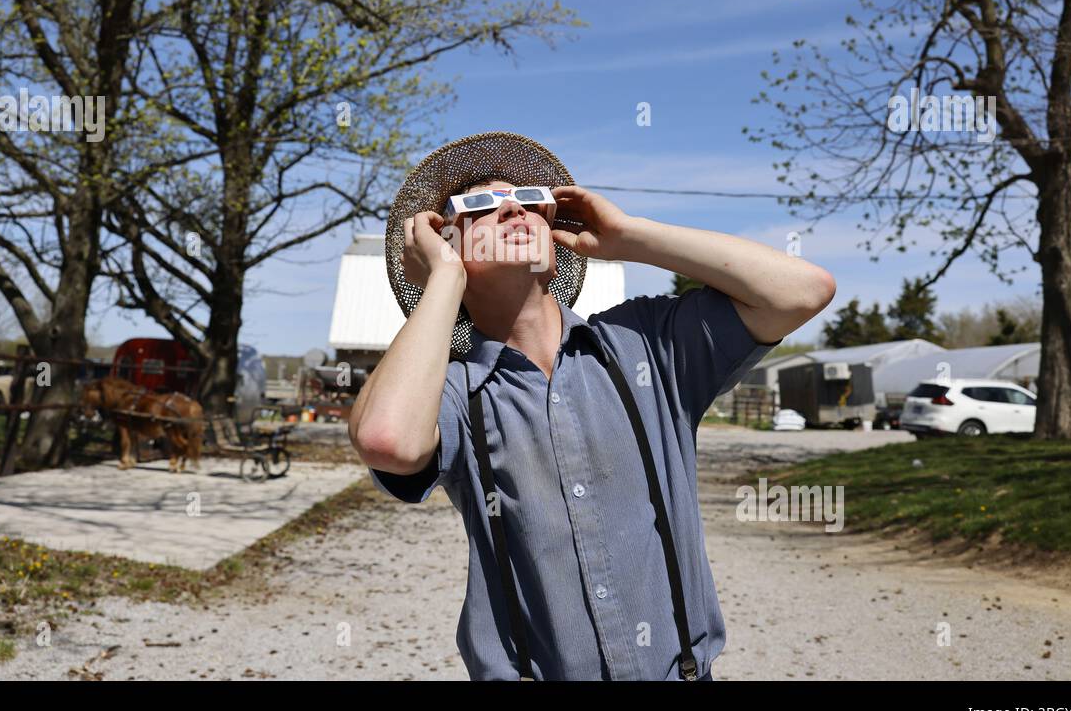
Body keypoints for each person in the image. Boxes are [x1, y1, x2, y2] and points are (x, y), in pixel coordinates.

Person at [350, 131, 836, 680]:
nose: (513, 206)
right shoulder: (457, 392)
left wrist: (630, 236)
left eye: (529, 199)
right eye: (480, 205)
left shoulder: (643, 343)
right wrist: (443, 280)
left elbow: (803, 291)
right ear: (446, 244)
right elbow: (388, 440)